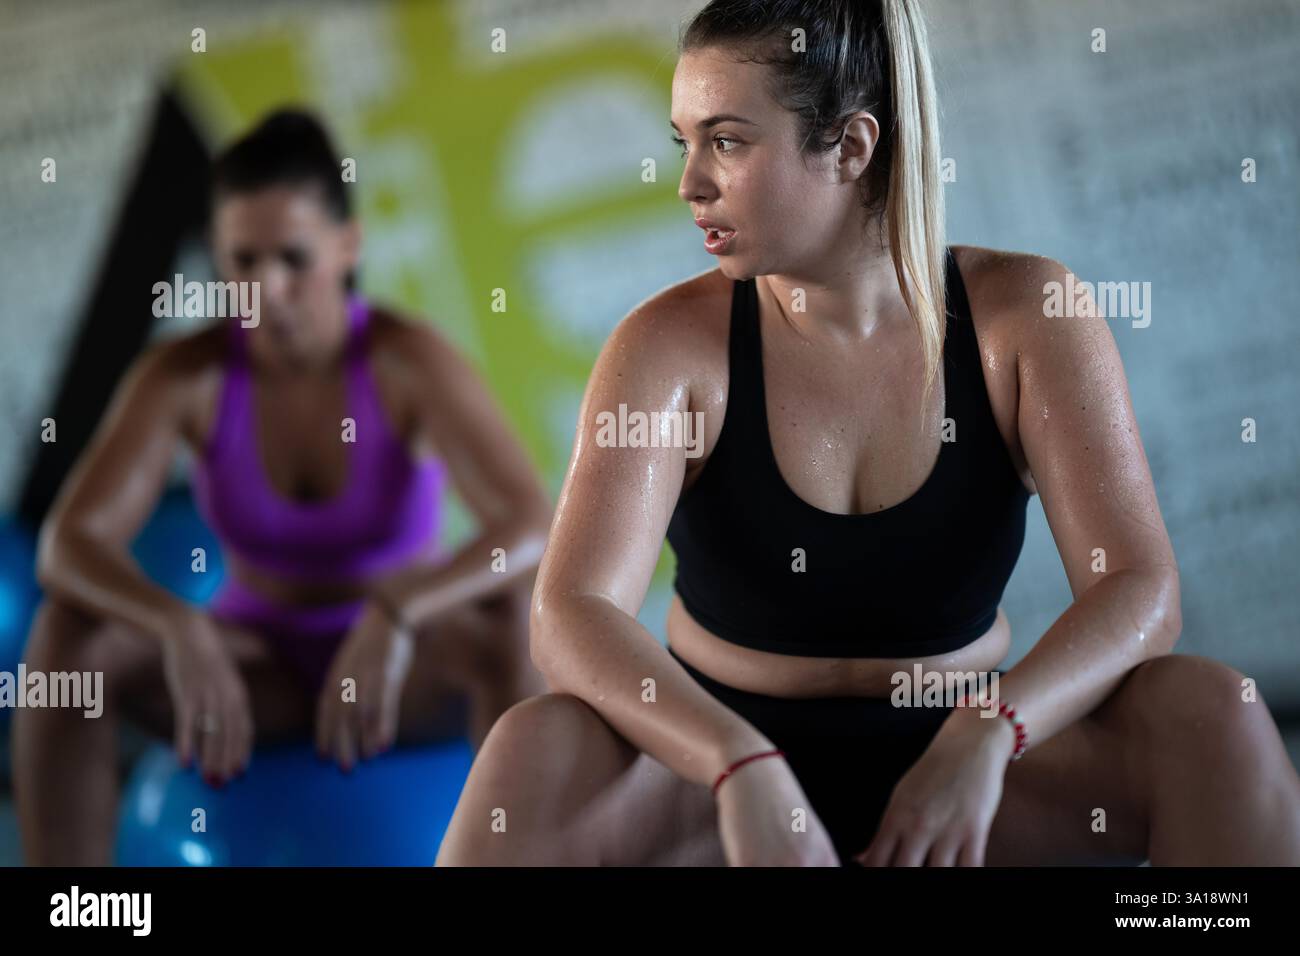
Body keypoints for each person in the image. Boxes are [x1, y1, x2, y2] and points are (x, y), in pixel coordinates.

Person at [435, 0, 1300, 866]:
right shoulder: (667, 347)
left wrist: (989, 732)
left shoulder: (1027, 318)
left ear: (851, 146)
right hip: (717, 772)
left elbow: (1140, 588)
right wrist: (739, 763)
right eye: (683, 142)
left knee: (1213, 715)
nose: (689, 183)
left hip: (964, 752)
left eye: (727, 142)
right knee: (530, 746)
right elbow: (570, 613)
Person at [12, 109, 551, 866]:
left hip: (403, 677)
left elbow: (529, 522)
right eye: (243, 261)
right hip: (252, 674)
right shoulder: (187, 376)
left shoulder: (406, 359)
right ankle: (71, 910)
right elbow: (68, 546)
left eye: (293, 259)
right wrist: (179, 625)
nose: (267, 287)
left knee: (516, 614)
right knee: (66, 639)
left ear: (346, 247)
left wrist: (396, 613)